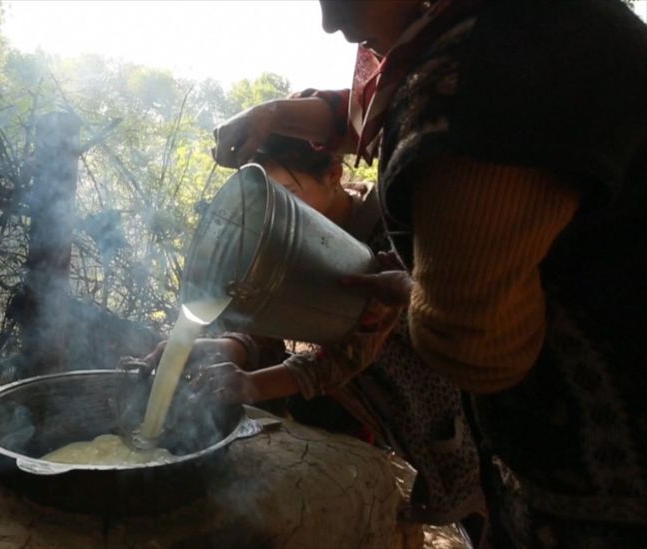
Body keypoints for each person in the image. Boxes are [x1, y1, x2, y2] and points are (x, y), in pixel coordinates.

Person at [209, 0, 647, 547]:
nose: (329, 22)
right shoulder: (493, 33)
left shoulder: (491, 74)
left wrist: (411, 291)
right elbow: (374, 111)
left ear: (332, 176)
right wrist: (272, 115)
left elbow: (472, 344)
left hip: (603, 489)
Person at [141, 131, 484, 525]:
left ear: (333, 173)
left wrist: (251, 385)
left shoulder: (391, 232)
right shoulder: (285, 239)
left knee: (479, 495)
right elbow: (270, 322)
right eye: (268, 201)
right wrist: (224, 347)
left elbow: (352, 351)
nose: (277, 212)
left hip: (446, 402)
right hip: (384, 407)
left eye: (288, 193)